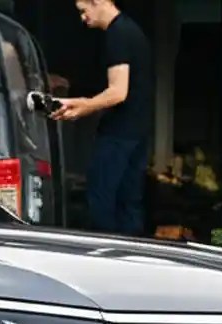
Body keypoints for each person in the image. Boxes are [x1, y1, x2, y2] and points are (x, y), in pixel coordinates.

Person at [50, 0, 153, 236]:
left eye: (83, 10)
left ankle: (104, 249)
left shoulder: (117, 34)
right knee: (129, 202)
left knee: (101, 199)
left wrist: (84, 106)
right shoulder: (133, 31)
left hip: (119, 132)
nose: (82, 18)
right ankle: (133, 252)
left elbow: (118, 92)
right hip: (138, 130)